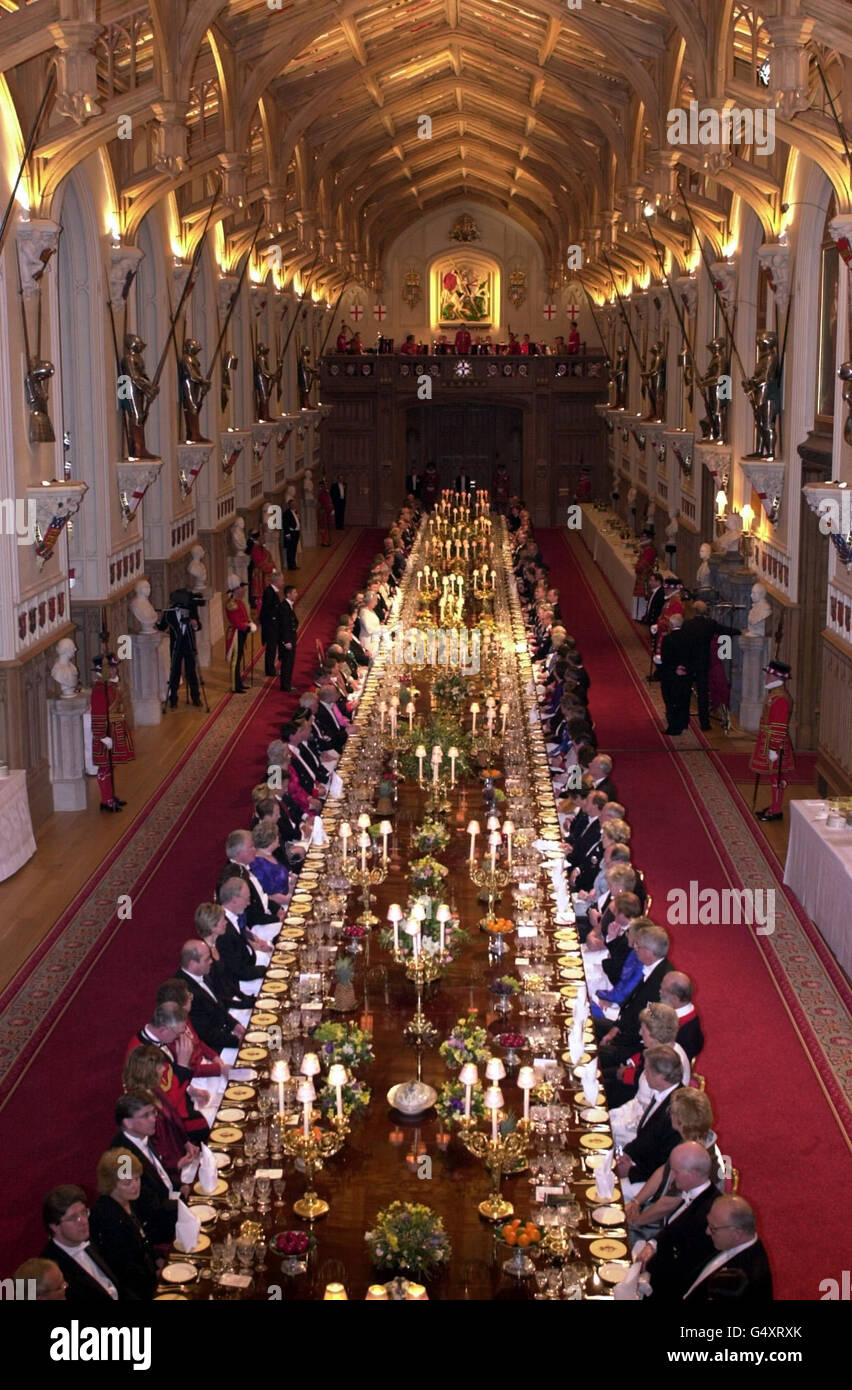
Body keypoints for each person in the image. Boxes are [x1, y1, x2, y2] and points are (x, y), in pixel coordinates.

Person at [637, 1143, 718, 1300]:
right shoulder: (691, 1193)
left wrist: (646, 1267)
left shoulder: (707, 1215)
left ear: (692, 1174)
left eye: (675, 1171)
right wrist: (652, 1244)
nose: (671, 1177)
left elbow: (681, 1267)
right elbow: (672, 1228)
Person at [89, 1149, 158, 1300]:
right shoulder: (109, 1220)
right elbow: (127, 1271)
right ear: (111, 1184)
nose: (135, 1186)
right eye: (127, 1182)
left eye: (137, 1179)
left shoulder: (127, 1200)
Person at [111, 1094, 179, 1247]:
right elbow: (142, 1206)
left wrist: (181, 1187)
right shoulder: (123, 1158)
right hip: (161, 1227)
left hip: (170, 1204)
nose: (153, 1119)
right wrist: (183, 1203)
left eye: (153, 1112)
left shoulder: (141, 1136)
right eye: (145, 1115)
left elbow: (160, 1175)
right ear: (127, 1123)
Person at [614, 1045, 683, 1192]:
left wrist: (631, 1171)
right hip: (639, 1162)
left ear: (661, 1076)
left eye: (648, 1071)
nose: (644, 1075)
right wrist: (627, 1153)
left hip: (649, 1180)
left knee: (607, 1192)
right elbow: (645, 1135)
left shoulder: (676, 1114)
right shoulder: (662, 1093)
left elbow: (664, 1165)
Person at [683, 1195, 774, 1301]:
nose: (707, 1231)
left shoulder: (746, 1278)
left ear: (737, 1233)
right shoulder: (726, 1240)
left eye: (713, 1228)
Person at [40, 1186, 121, 1302]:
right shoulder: (51, 1268)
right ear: (55, 1227)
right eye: (74, 1218)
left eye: (84, 1212)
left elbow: (119, 1285)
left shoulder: (91, 1242)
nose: (83, 1221)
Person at [681, 601, 740, 732]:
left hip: (689, 662)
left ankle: (684, 720)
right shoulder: (710, 624)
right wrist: (740, 631)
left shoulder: (687, 625)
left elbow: (682, 643)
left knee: (686, 692)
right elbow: (725, 630)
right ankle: (705, 723)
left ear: (695, 611)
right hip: (703, 663)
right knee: (703, 694)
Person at [176, 941, 245, 1052]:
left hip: (224, 1030)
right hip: (216, 1047)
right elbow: (205, 1033)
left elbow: (218, 1005)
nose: (212, 961)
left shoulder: (202, 973)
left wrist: (235, 1025)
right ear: (193, 963)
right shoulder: (184, 992)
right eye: (207, 959)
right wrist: (237, 1041)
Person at [751, 660, 794, 822]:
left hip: (775, 745)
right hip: (768, 742)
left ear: (776, 677)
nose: (766, 677)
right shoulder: (774, 695)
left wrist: (773, 748)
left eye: (768, 674)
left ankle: (776, 810)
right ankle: (774, 806)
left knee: (776, 777)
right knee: (774, 777)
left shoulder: (780, 699)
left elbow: (779, 726)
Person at [90, 654, 131, 812]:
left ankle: (110, 796)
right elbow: (98, 715)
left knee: (110, 765)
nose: (116, 670)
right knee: (104, 767)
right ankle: (105, 799)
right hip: (105, 733)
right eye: (113, 668)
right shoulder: (99, 689)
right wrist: (102, 737)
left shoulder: (108, 685)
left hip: (114, 729)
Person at [156, 588, 203, 708]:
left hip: (189, 644)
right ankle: (173, 699)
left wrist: (195, 624)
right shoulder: (169, 612)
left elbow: (198, 626)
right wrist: (159, 618)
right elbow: (162, 627)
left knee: (191, 671)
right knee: (175, 672)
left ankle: (196, 697)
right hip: (176, 645)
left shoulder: (191, 609)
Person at [659, 972, 704, 1064]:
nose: (659, 991)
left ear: (675, 999)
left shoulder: (686, 1033)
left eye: (663, 990)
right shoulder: (672, 1009)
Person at [659, 613, 692, 735]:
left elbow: (666, 659)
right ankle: (683, 722)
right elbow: (692, 656)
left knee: (671, 701)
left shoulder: (668, 639)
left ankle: (673, 727)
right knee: (684, 699)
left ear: (671, 625)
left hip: (671, 676)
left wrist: (675, 669)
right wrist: (685, 668)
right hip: (686, 674)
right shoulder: (689, 638)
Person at [224, 578, 255, 694]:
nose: (244, 590)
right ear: (237, 589)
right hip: (236, 633)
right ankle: (234, 685)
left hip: (241, 632)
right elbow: (236, 622)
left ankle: (239, 683)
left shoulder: (239, 601)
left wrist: (249, 622)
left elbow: (244, 617)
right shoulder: (231, 604)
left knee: (239, 658)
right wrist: (247, 627)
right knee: (235, 660)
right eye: (242, 588)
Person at [259, 570, 284, 678]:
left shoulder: (273, 591)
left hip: (273, 625)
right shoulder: (269, 592)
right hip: (270, 626)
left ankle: (271, 669)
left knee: (273, 648)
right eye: (282, 580)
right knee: (271, 649)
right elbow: (267, 610)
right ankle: (270, 670)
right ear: (277, 581)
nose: (283, 582)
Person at [632, 527, 657, 620]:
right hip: (643, 576)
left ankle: (640, 616)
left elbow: (642, 565)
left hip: (644, 577)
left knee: (642, 597)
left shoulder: (649, 550)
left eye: (643, 537)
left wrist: (637, 567)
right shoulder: (646, 549)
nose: (641, 539)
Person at [279, 583, 298, 691]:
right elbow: (284, 625)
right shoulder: (284, 607)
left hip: (291, 638)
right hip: (288, 640)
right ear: (288, 594)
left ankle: (287, 683)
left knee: (289, 663)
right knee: (287, 663)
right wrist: (287, 641)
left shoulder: (288, 605)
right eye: (294, 592)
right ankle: (285, 685)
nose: (296, 594)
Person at [282, 498, 301, 570]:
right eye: (292, 504)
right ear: (289, 505)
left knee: (294, 550)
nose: (294, 505)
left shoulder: (295, 512)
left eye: (295, 504)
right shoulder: (286, 513)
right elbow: (285, 526)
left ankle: (294, 564)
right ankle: (290, 566)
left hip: (296, 533)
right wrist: (288, 536)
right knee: (290, 550)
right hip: (290, 534)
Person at [317, 477, 334, 546]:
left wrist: (332, 509)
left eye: (327, 485)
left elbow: (330, 502)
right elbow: (325, 503)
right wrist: (330, 508)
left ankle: (328, 540)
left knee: (328, 526)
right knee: (323, 527)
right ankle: (324, 541)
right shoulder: (322, 494)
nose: (326, 486)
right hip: (323, 512)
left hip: (328, 512)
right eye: (325, 485)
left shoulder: (327, 493)